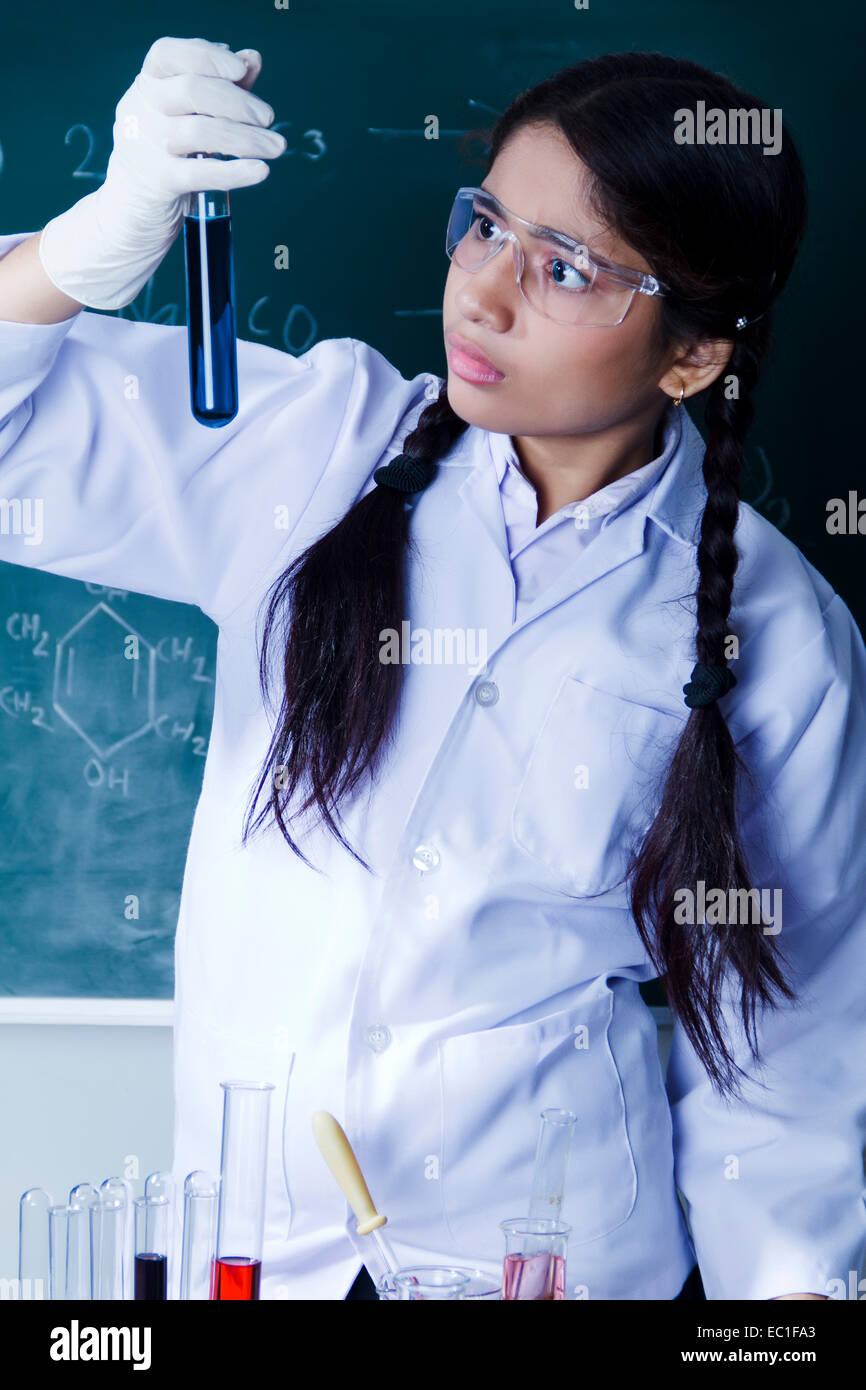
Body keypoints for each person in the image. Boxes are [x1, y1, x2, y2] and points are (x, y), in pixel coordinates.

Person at [1, 36, 863, 1301]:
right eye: (487, 227)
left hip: (560, 1265)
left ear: (689, 358)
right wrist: (74, 255)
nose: (483, 294)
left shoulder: (777, 632)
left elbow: (781, 1061)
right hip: (252, 1258)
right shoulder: (314, 448)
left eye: (565, 268)